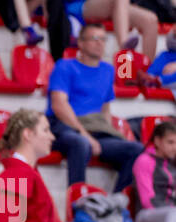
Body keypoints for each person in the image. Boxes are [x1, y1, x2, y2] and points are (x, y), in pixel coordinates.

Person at [46, 23, 144, 192]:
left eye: (103, 39)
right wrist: (84, 134)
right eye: (94, 39)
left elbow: (105, 109)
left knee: (137, 150)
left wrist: (108, 133)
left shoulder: (108, 70)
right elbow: (59, 105)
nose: (100, 43)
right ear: (81, 43)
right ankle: (77, 201)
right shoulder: (64, 66)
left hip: (95, 129)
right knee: (81, 143)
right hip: (64, 127)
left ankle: (115, 204)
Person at [132, 119, 176, 222]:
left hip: (170, 214)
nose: (174, 147)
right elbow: (147, 201)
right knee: (173, 212)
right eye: (170, 142)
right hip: (147, 214)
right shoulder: (144, 161)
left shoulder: (171, 164)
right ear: (157, 141)